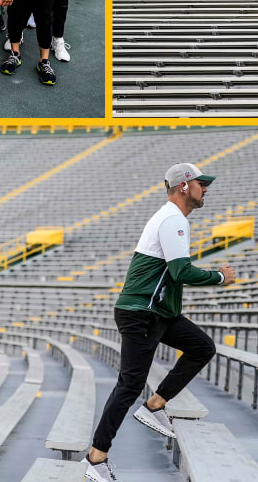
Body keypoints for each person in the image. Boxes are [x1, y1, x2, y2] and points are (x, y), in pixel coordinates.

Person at [83, 163, 235, 482]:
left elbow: (171, 276)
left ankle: (155, 404)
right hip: (142, 313)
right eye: (200, 183)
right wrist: (220, 277)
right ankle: (96, 458)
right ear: (183, 187)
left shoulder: (172, 219)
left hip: (159, 313)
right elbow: (181, 272)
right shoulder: (172, 219)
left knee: (202, 347)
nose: (205, 188)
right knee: (129, 385)